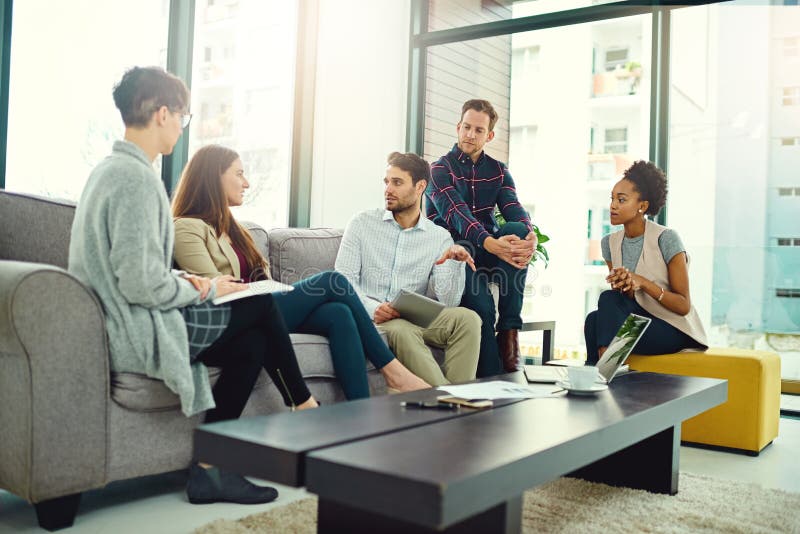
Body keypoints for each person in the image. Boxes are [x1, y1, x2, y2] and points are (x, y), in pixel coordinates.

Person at [68, 66, 315, 506]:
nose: (182, 129)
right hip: (135, 332)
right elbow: (142, 283)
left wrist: (189, 278)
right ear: (162, 114)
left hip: (126, 321)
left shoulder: (110, 171)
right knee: (260, 309)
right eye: (182, 118)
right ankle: (305, 409)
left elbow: (132, 267)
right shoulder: (136, 179)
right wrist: (201, 290)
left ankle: (209, 469)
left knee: (253, 343)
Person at [171, 145, 430, 398]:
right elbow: (212, 288)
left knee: (338, 313)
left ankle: (357, 414)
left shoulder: (235, 230)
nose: (247, 183)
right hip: (235, 316)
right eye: (239, 174)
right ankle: (393, 371)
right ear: (213, 176)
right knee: (333, 280)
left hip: (265, 306)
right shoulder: (187, 227)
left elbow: (261, 278)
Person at [335, 151, 481, 387]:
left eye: (397, 182)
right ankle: (449, 401)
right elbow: (343, 281)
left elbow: (449, 301)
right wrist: (373, 308)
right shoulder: (362, 224)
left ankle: (455, 400)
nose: (388, 190)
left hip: (418, 317)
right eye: (386, 182)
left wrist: (454, 264)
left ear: (420, 186)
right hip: (378, 317)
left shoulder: (439, 236)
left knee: (468, 319)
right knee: (402, 330)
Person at [426, 99, 537, 377]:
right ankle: (492, 379)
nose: (470, 135)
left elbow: (514, 209)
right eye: (466, 127)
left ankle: (510, 333)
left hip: (487, 250)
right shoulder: (439, 170)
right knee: (483, 307)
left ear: (489, 135)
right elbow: (456, 213)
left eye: (478, 130)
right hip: (454, 251)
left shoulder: (498, 171)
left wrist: (530, 237)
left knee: (518, 230)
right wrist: (491, 243)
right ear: (458, 127)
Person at [584, 160, 708, 365]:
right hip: (640, 321)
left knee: (602, 309)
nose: (613, 205)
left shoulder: (666, 239)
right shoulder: (610, 243)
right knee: (594, 319)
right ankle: (602, 374)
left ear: (642, 206)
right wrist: (627, 287)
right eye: (612, 198)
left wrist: (642, 282)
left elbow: (683, 305)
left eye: (621, 200)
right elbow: (623, 301)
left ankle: (602, 372)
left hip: (672, 328)